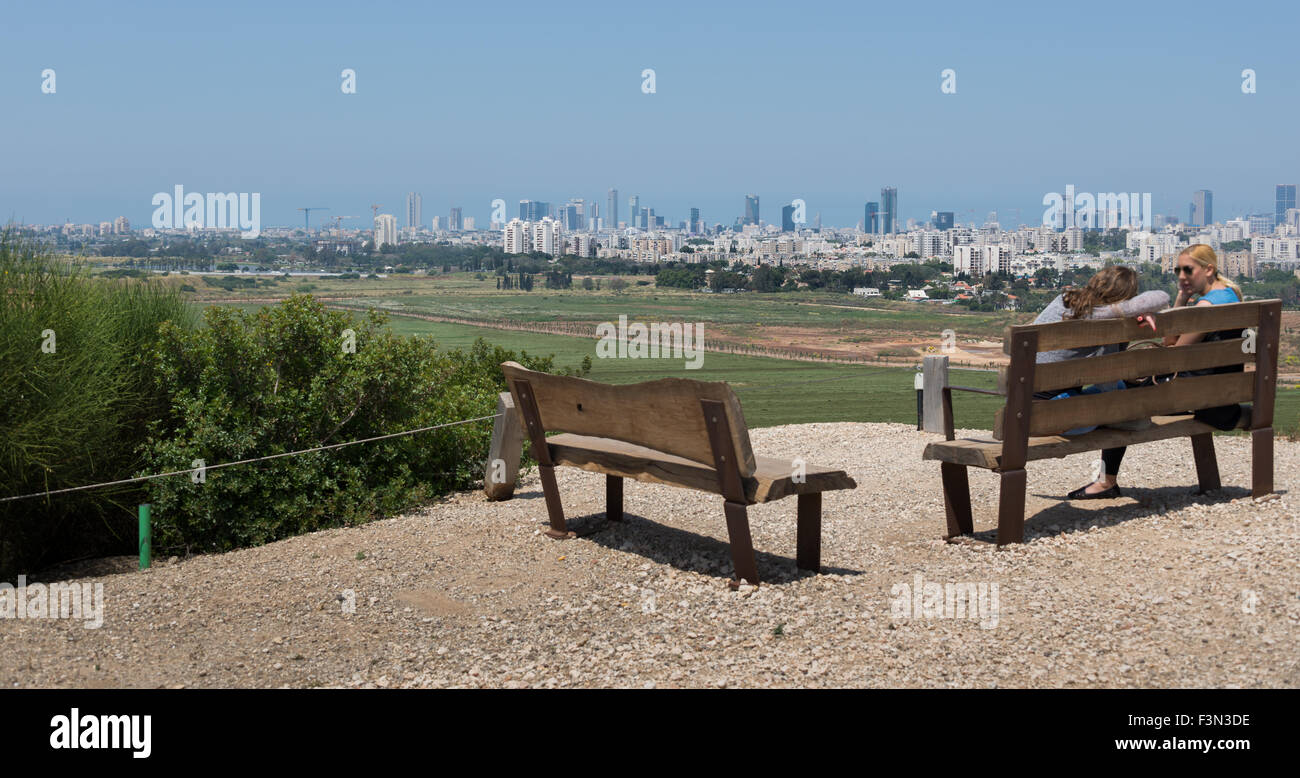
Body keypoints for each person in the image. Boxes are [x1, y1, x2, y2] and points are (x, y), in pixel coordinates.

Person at [1068, 245, 1244, 499]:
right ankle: (1106, 481)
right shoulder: (1229, 296)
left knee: (1120, 398)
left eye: (1188, 270)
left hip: (1194, 396)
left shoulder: (1204, 308)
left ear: (1209, 269)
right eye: (1178, 270)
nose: (1182, 276)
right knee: (1125, 392)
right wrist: (1182, 299)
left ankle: (1106, 483)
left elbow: (1173, 352)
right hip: (1218, 395)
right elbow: (1173, 346)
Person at [1031, 268, 1170, 436]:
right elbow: (1162, 297)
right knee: (1127, 408)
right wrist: (1134, 312)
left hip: (1021, 409)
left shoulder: (1062, 300)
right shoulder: (1107, 322)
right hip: (1050, 417)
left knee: (1120, 397)